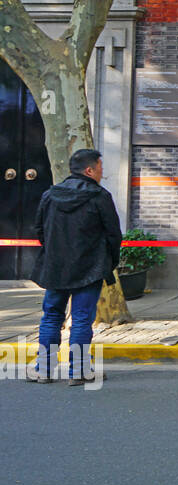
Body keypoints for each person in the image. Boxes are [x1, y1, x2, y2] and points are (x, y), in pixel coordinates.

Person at [28, 148, 122, 386]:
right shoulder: (100, 197)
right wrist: (109, 262)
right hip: (88, 267)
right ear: (89, 170)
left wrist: (54, 251)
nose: (102, 172)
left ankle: (44, 369)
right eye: (100, 167)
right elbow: (113, 235)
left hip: (55, 267)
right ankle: (79, 371)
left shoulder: (50, 195)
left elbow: (39, 229)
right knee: (81, 319)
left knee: (51, 316)